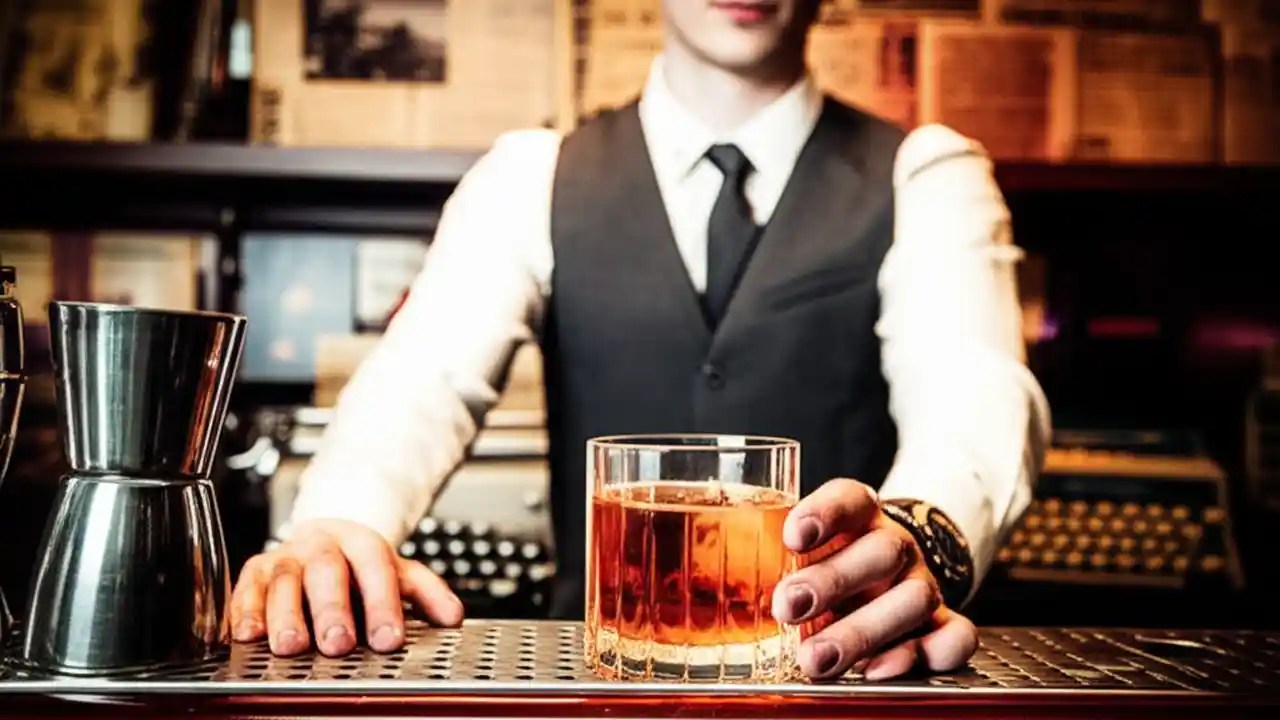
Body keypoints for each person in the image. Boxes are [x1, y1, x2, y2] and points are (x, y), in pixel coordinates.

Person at [229, 0, 1051, 682]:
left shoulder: (928, 175)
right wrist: (339, 520)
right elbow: (422, 379)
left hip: (835, 683)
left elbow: (974, 393)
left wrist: (921, 533)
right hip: (596, 689)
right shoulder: (531, 176)